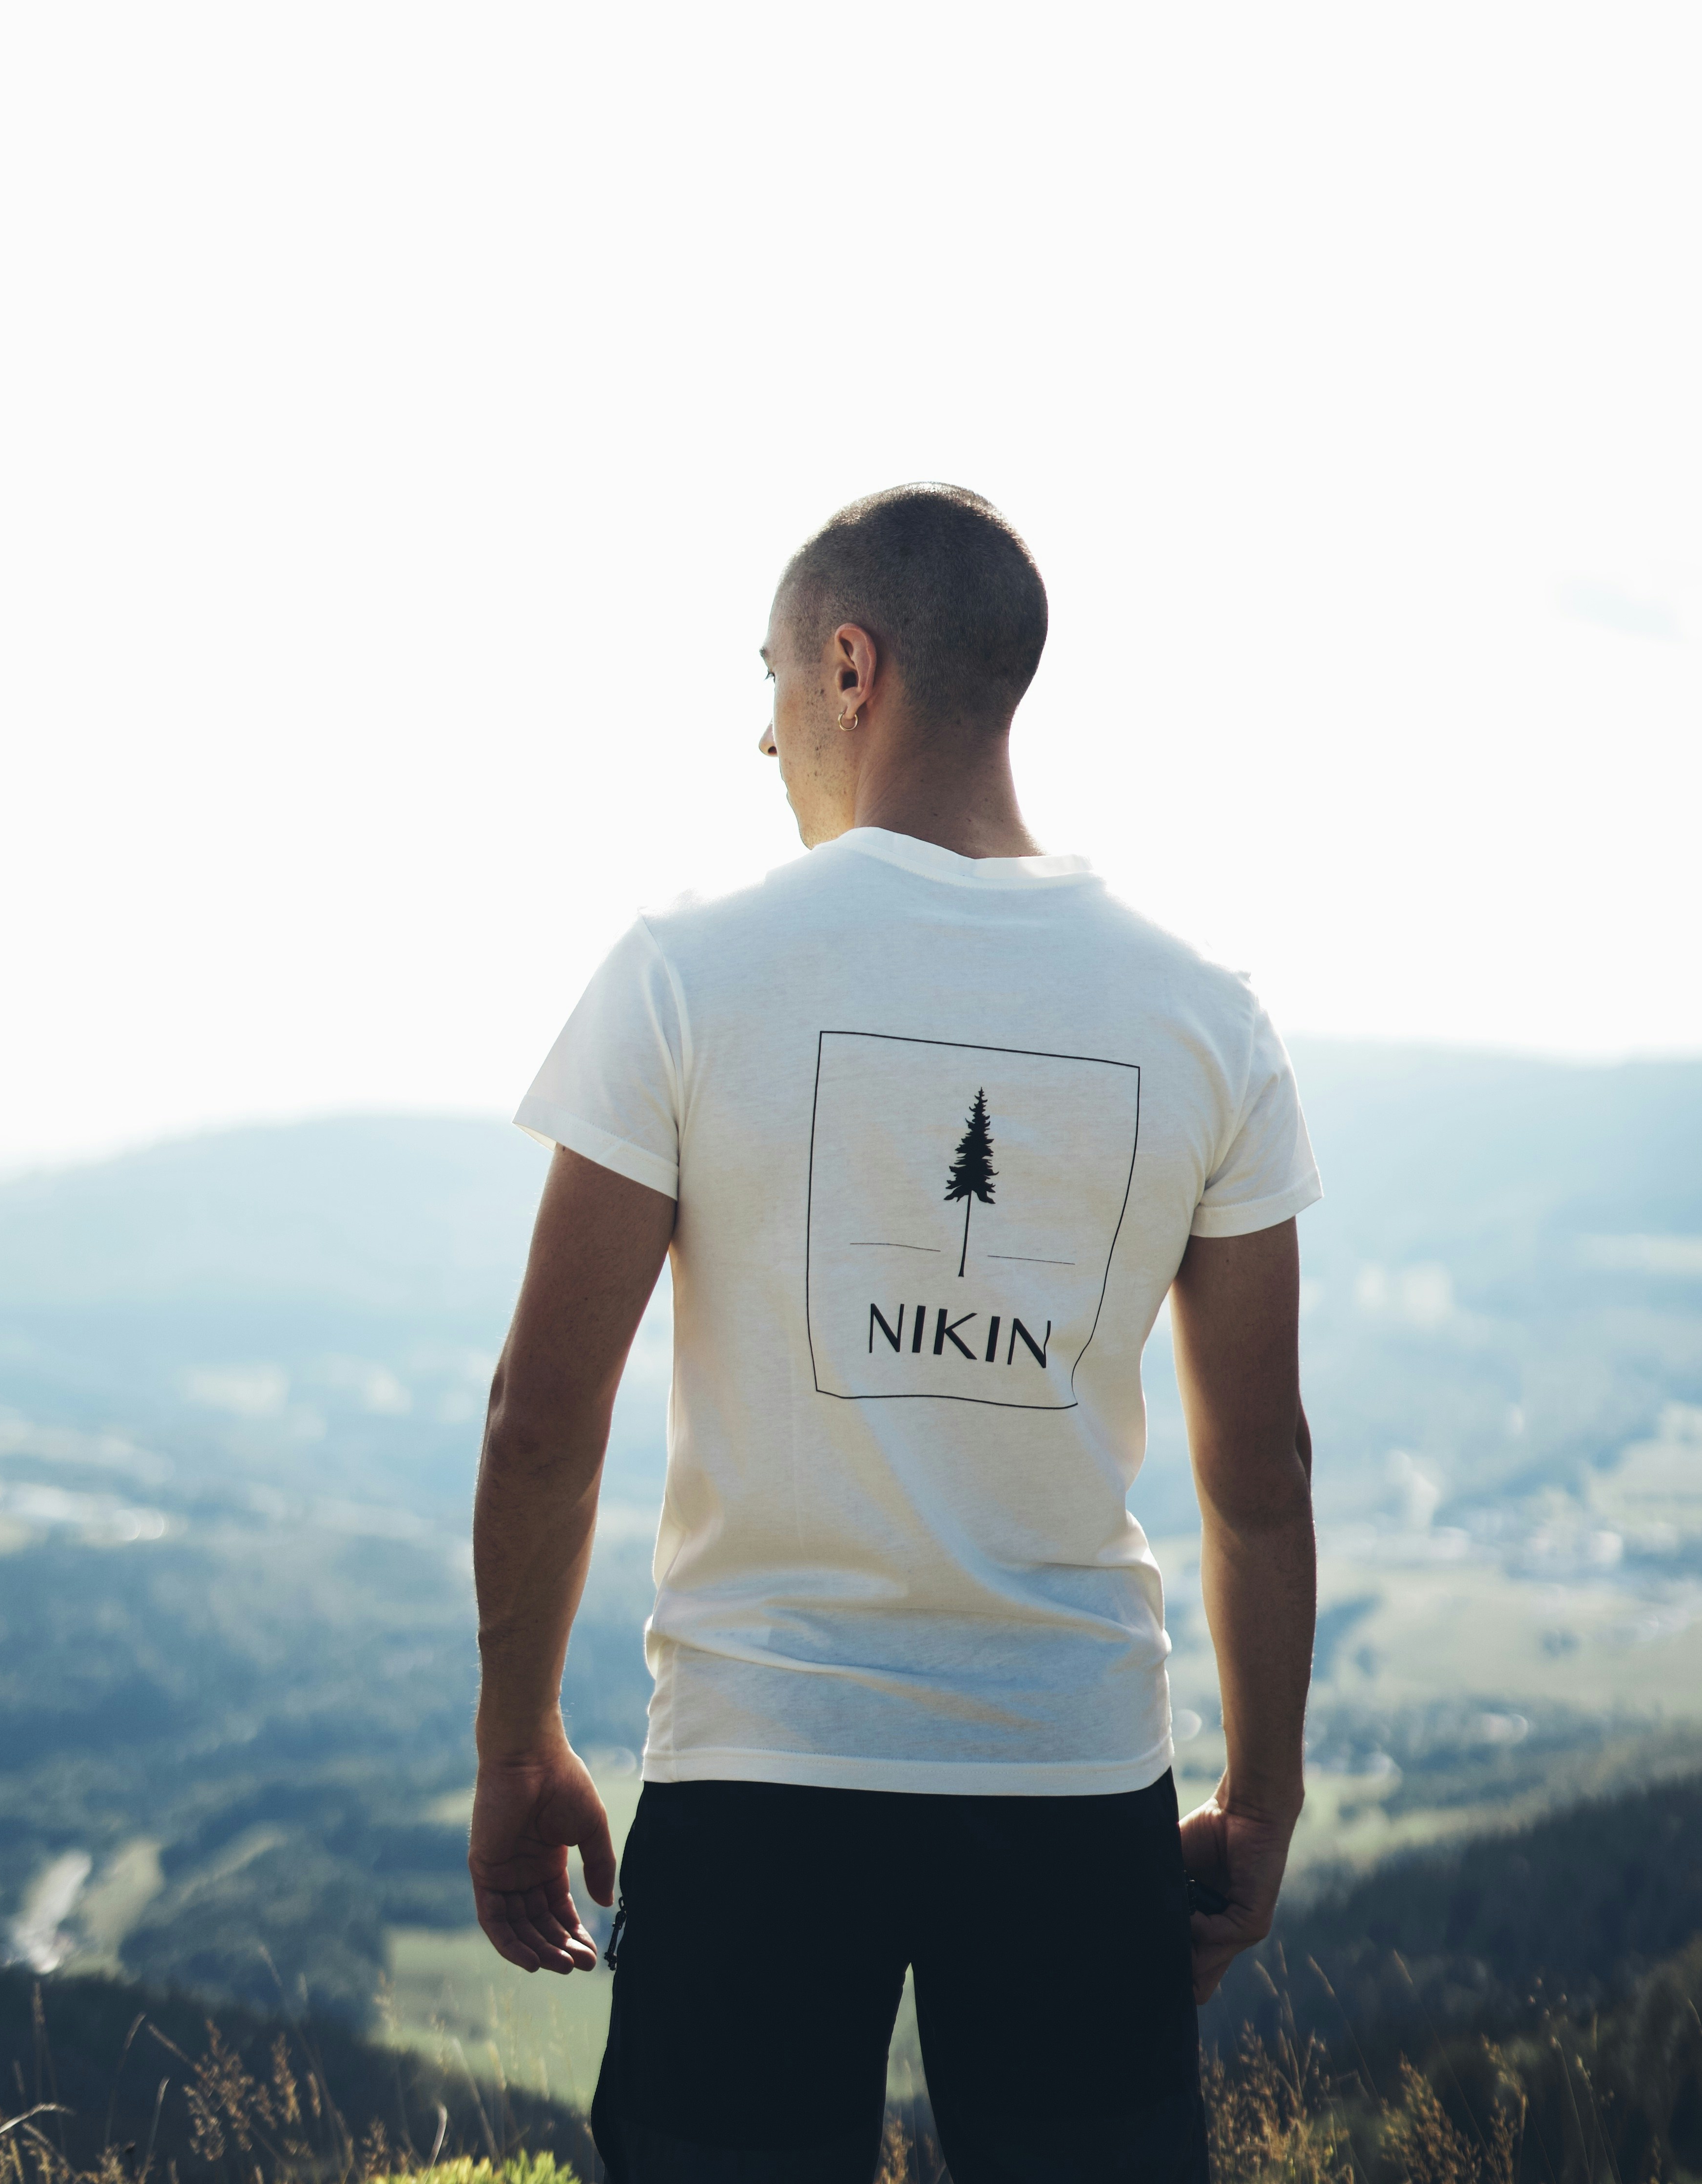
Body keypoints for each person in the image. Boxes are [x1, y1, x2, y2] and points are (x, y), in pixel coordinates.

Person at [469, 483, 1320, 2184]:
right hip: (1075, 1778)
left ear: (850, 671)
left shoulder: (687, 975)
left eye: (771, 679)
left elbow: (538, 1425)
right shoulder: (1204, 1016)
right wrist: (1263, 1797)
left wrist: (515, 1747)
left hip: (756, 1776)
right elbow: (1261, 1473)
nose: (761, 732)